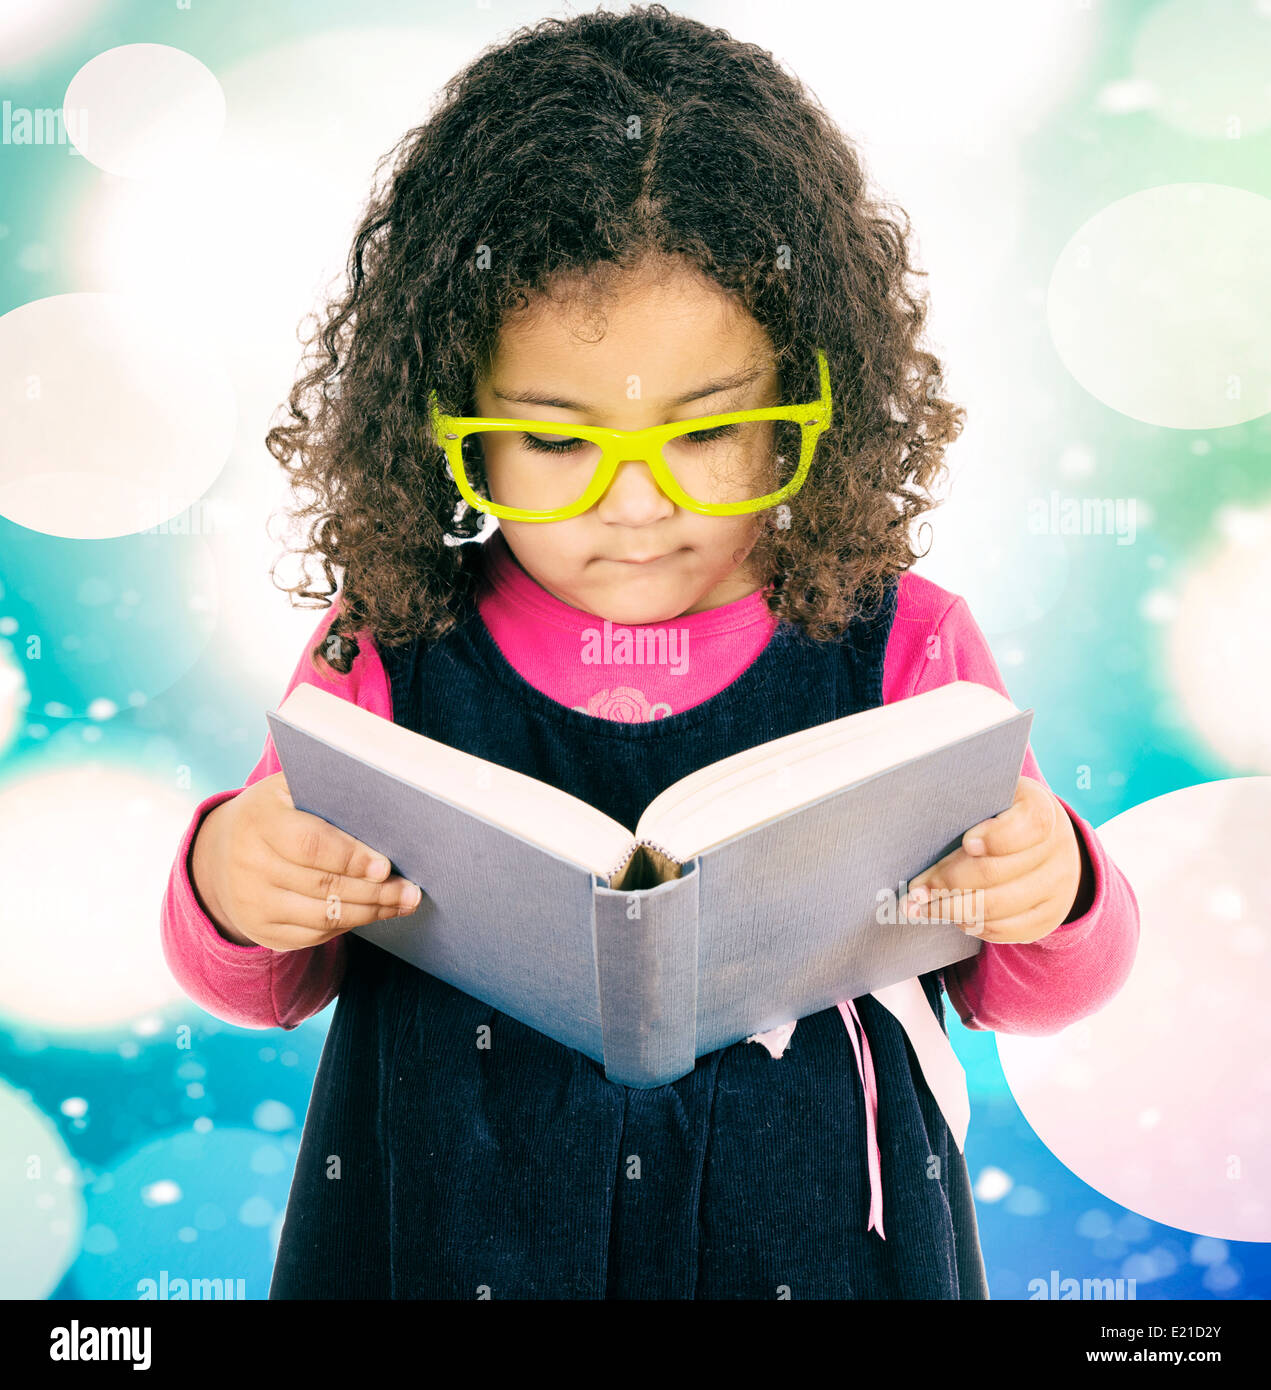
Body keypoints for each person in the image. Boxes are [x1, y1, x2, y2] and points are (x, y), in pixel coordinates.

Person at [160, 5, 1139, 1299]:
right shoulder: (386, 643)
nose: (638, 505)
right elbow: (263, 978)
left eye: (709, 432)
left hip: (815, 1238)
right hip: (456, 1225)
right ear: (440, 411)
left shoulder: (904, 638)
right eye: (559, 441)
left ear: (813, 389)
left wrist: (1052, 883)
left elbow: (1031, 990)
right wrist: (236, 876)